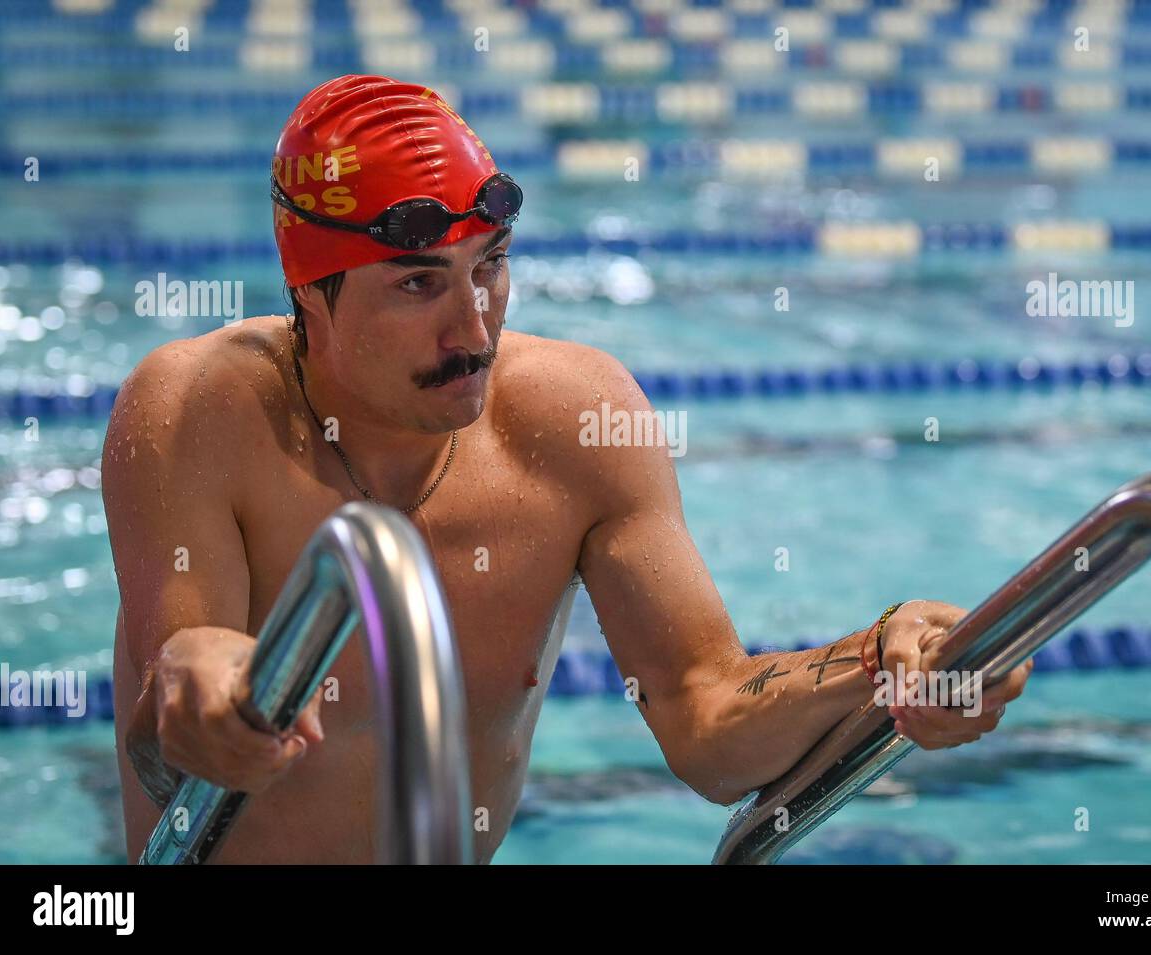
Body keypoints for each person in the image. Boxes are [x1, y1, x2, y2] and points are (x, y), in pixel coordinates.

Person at [105, 75, 1032, 863]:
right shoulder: (201, 409)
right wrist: (195, 680)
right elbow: (162, 733)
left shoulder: (576, 421)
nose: (473, 329)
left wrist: (880, 661)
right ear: (311, 288)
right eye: (418, 283)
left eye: (490, 266)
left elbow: (704, 718)